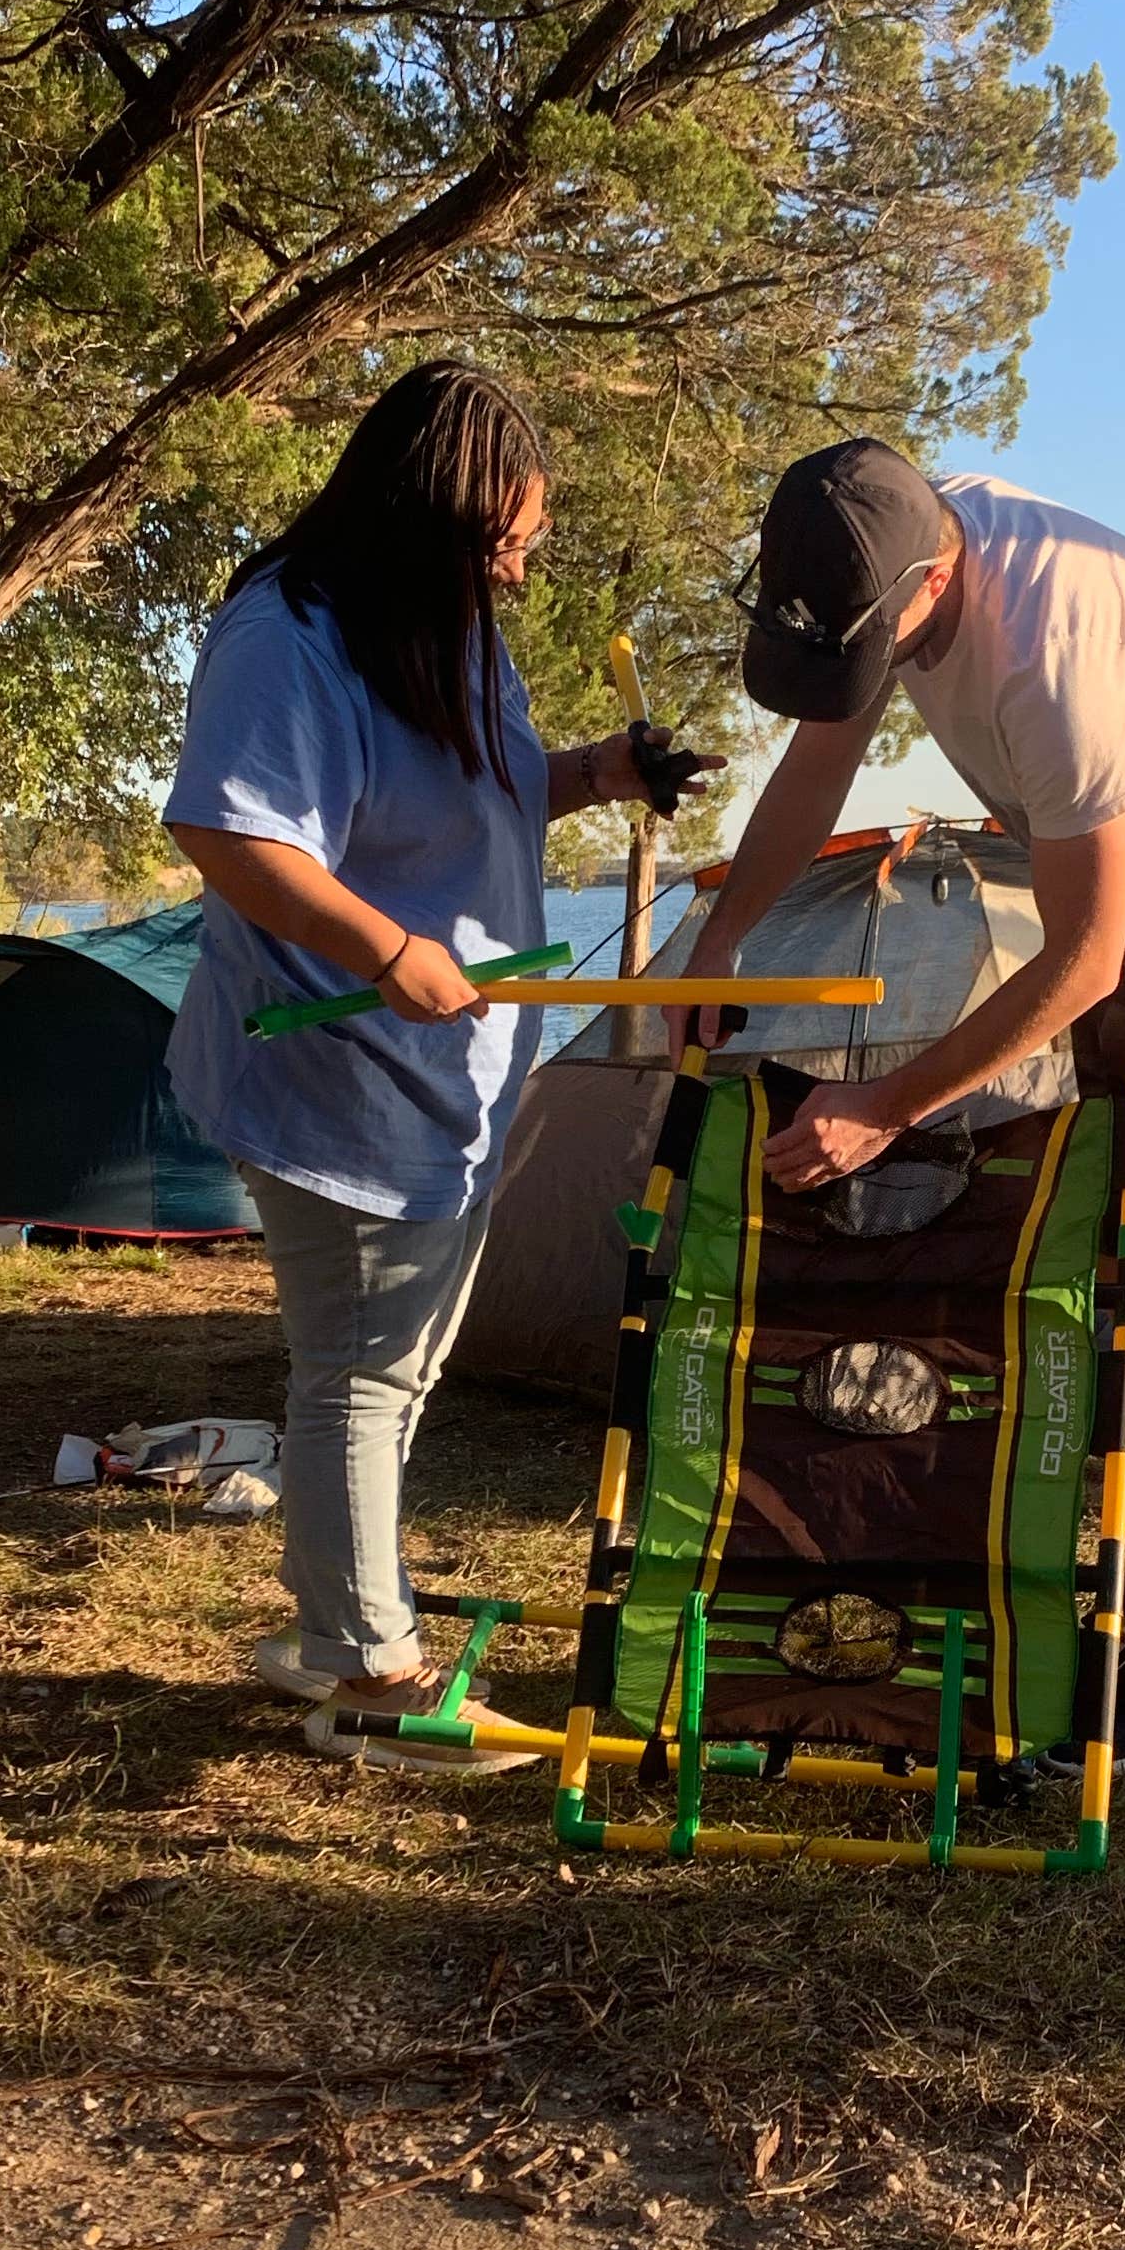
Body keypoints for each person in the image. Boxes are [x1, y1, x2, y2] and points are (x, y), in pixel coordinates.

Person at [677, 441, 1125, 1774]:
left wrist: (886, 1108)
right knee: (1104, 1237)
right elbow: (815, 769)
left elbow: (1087, 956)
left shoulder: (1054, 658)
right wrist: (722, 937)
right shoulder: (880, 554)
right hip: (1117, 904)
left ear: (939, 577)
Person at [164, 362, 707, 1772]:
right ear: (423, 519)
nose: (518, 574)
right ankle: (366, 1666)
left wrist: (601, 772)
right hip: (331, 1064)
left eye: (529, 545)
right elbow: (235, 834)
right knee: (360, 1363)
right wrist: (386, 946)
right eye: (501, 543)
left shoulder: (444, 621)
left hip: (445, 1077)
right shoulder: (286, 633)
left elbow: (482, 784)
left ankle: (335, 1614)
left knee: (389, 1365)